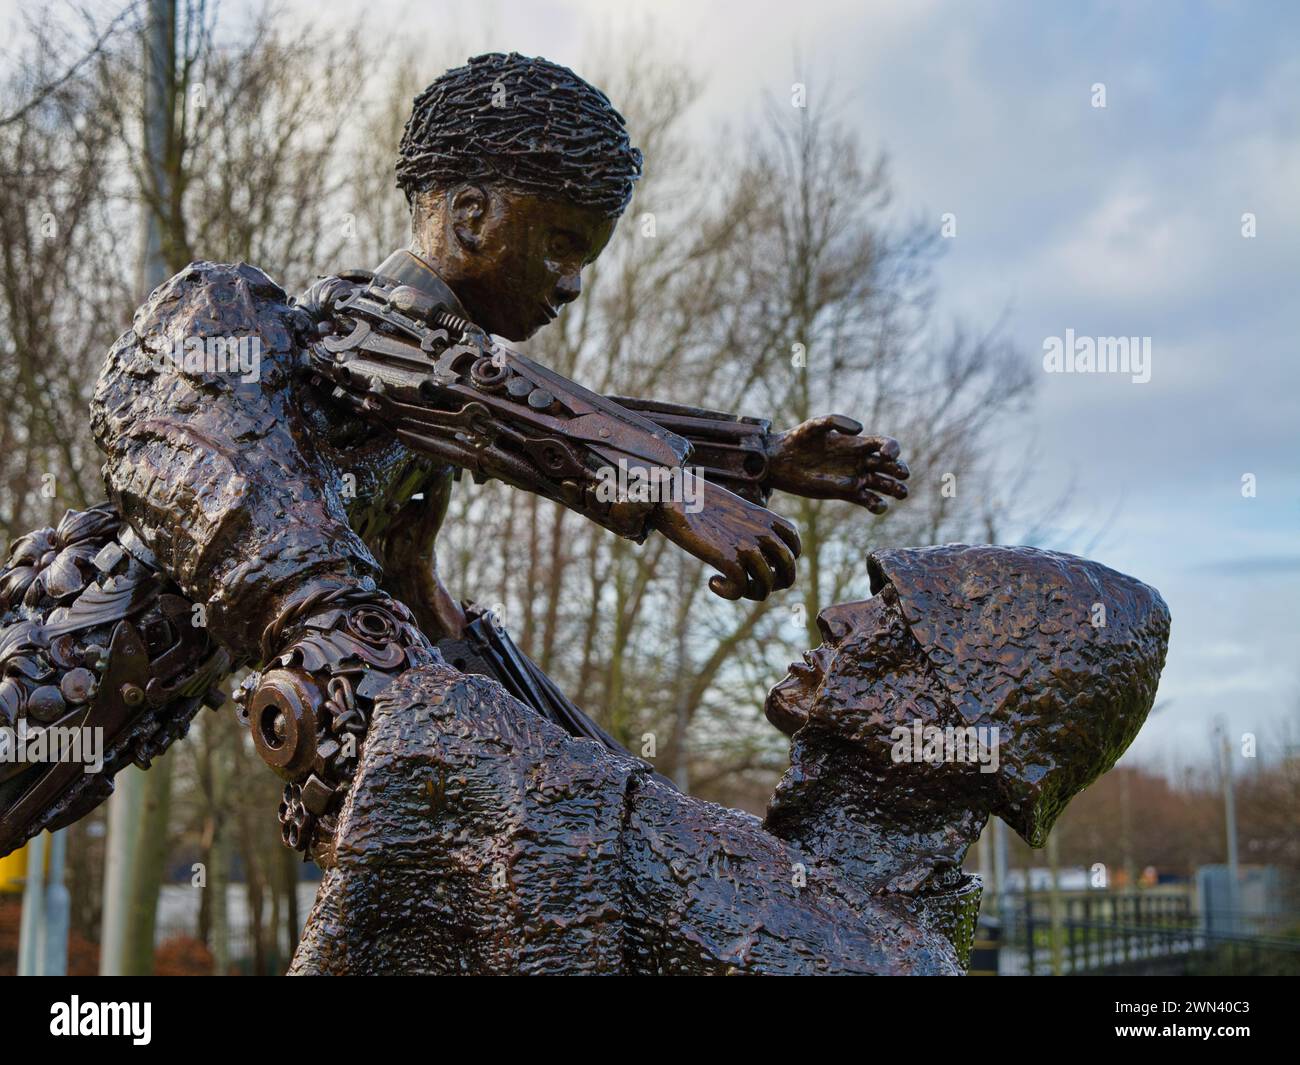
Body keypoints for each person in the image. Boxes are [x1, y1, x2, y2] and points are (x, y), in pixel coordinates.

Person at [0, 53, 907, 860]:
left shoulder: (408, 434)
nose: (573, 284)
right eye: (561, 244)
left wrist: (750, 460)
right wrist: (669, 482)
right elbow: (437, 374)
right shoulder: (287, 327)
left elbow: (435, 603)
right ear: (470, 215)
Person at [288, 545, 1170, 974]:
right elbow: (567, 765)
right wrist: (411, 569)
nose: (839, 619)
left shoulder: (853, 954)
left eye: (896, 624)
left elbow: (488, 756)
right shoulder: (799, 886)